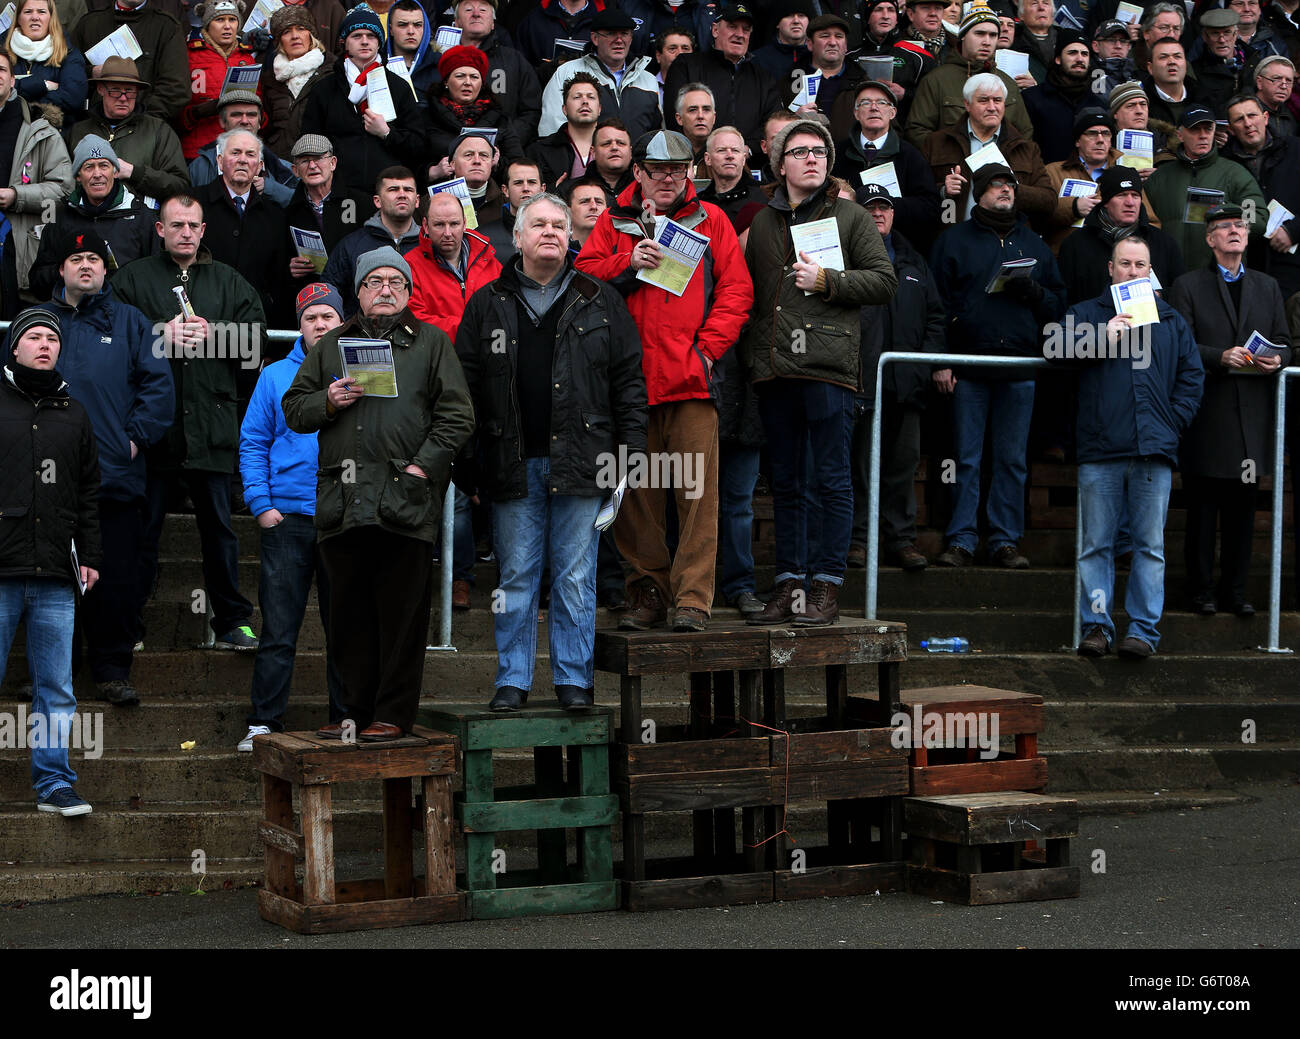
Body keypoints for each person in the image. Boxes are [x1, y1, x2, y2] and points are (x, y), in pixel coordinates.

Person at [455, 193, 647, 711]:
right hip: (510, 459)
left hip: (583, 460)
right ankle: (512, 682)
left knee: (576, 576)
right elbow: (464, 388)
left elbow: (629, 381)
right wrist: (466, 462)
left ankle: (573, 681)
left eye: (559, 226)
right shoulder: (486, 302)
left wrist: (631, 454)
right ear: (515, 237)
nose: (549, 232)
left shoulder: (601, 299)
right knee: (516, 574)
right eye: (537, 224)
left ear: (571, 238)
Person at [282, 246, 476, 741]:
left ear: (409, 292)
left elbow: (457, 416)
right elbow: (294, 408)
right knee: (346, 615)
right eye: (374, 282)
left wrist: (419, 470)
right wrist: (328, 399)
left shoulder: (432, 343)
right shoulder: (331, 344)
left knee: (401, 616)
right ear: (359, 292)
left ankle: (391, 715)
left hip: (405, 499)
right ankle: (350, 713)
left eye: (396, 281)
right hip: (343, 500)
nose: (385, 289)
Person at [576, 129, 753, 632]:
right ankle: (647, 591)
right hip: (626, 384)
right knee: (634, 496)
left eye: (677, 170)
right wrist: (627, 263)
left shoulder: (712, 219)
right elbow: (583, 279)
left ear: (691, 172)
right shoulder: (613, 222)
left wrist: (706, 351)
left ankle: (693, 600)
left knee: (697, 496)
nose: (668, 179)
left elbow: (737, 295)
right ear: (639, 173)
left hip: (691, 381)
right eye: (658, 170)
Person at [741, 118, 897, 625]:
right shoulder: (762, 222)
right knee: (786, 482)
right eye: (801, 151)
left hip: (828, 366)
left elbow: (883, 282)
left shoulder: (851, 216)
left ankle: (826, 584)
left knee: (831, 479)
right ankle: (790, 584)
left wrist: (828, 279)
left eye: (821, 152)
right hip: (775, 368)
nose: (813, 159)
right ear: (780, 163)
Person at [112, 193, 265, 653]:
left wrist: (214, 334)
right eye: (175, 225)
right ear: (160, 229)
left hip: (212, 426)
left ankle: (232, 623)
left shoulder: (229, 281)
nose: (185, 232)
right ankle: (128, 625)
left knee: (219, 532)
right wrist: (161, 334)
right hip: (153, 431)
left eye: (193, 225)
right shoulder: (133, 279)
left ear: (203, 230)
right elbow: (111, 339)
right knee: (143, 533)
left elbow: (256, 342)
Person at [36, 229, 171, 709]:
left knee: (114, 578)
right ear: (62, 269)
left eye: (94, 257)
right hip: (47, 481)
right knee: (53, 578)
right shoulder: (40, 321)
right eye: (77, 259)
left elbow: (158, 389)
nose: (86, 265)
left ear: (106, 267)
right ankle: (55, 675)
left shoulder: (132, 322)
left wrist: (132, 440)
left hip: (113, 477)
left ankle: (111, 670)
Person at [1070, 236, 1203, 659]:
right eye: (1124, 264)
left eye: (1139, 264)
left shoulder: (1171, 321)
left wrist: (1172, 421)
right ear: (1110, 269)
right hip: (1101, 449)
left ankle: (1143, 632)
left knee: (1149, 548)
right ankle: (1097, 628)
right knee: (1096, 547)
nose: (1131, 270)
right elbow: (1055, 351)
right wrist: (1101, 335)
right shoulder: (1085, 314)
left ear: (1150, 271)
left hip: (1153, 450)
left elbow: (1192, 378)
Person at [929, 163, 1066, 570]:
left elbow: (1058, 304)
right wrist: (941, 361)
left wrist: (1035, 291)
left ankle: (1005, 539)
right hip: (968, 366)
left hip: (1019, 367)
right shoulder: (953, 241)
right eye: (995, 185)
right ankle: (962, 538)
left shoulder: (1036, 245)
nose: (1005, 190)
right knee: (965, 459)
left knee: (1011, 460)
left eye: (1010, 184)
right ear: (978, 192)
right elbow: (934, 308)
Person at [237, 282, 348, 750]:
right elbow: (253, 442)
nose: (320, 324)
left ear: (342, 322)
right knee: (279, 628)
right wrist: (262, 506)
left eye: (328, 316)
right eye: (310, 317)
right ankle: (264, 721)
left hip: (344, 518)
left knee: (344, 628)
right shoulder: (273, 377)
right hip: (289, 517)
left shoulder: (362, 370)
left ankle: (348, 721)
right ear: (298, 325)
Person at [0, 308, 102, 816]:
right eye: (34, 337)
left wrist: (92, 555)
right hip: (1, 568)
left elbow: (88, 492)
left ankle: (55, 784)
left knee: (57, 690)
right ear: (13, 347)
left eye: (52, 338)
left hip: (57, 573)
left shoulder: (74, 412)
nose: (45, 344)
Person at [1168, 203, 1292, 617]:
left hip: (1251, 417)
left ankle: (1235, 592)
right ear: (1210, 238)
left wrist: (1278, 358)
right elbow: (1179, 345)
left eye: (1240, 225)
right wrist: (1219, 356)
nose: (1235, 231)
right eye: (1225, 227)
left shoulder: (1267, 285)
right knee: (1203, 512)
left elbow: (1283, 340)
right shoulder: (1187, 285)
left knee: (1242, 514)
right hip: (1209, 414)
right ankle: (1200, 591)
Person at [850, 182, 944, 572]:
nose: (878, 214)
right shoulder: (848, 257)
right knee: (859, 467)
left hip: (906, 385)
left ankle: (901, 540)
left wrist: (925, 365)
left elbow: (936, 318)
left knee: (902, 467)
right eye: (870, 207)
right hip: (861, 383)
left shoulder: (914, 260)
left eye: (884, 208)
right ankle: (857, 541)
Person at [298, 4, 431, 198]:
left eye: (371, 36)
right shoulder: (324, 89)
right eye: (357, 36)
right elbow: (310, 142)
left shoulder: (399, 87)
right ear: (344, 42)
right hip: (337, 192)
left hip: (387, 194)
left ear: (379, 43)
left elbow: (418, 145)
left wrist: (386, 133)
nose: (365, 42)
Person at [29, 136, 157, 302]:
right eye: (89, 167)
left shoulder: (142, 218)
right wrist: (68, 271)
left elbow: (155, 279)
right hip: (73, 316)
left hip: (123, 318)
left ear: (115, 172)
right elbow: (38, 283)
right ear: (78, 176)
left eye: (104, 165)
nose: (97, 174)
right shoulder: (61, 218)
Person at [1145, 105, 1266, 271]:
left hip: (1220, 279)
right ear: (1180, 135)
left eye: (1208, 129)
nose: (1203, 136)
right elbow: (1143, 229)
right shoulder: (1159, 178)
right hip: (1169, 279)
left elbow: (1258, 221)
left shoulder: (1236, 174)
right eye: (1195, 130)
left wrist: (1225, 211)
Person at [921, 72, 1054, 222]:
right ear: (967, 104)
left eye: (997, 100)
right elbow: (916, 194)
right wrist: (943, 190)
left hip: (1005, 238)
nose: (992, 107)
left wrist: (1013, 188)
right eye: (983, 100)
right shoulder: (937, 142)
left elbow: (1049, 201)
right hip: (954, 235)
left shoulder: (1026, 148)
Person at [195, 130, 293, 331]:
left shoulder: (275, 215)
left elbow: (280, 283)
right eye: (235, 153)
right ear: (220, 162)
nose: (242, 160)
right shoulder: (194, 204)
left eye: (250, 154)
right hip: (203, 324)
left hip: (255, 326)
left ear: (260, 166)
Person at [905, 5, 1035, 148]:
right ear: (963, 36)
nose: (987, 41)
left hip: (1001, 167)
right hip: (953, 167)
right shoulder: (936, 80)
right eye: (980, 33)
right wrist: (950, 156)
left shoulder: (1007, 83)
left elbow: (1025, 133)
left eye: (993, 35)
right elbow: (916, 131)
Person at [833, 78, 941, 250]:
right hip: (847, 245)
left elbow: (930, 208)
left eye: (882, 102)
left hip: (896, 247)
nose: (874, 107)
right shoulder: (837, 154)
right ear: (856, 113)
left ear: (893, 113)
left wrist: (887, 206)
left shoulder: (910, 155)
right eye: (865, 103)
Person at [663, 4, 782, 159]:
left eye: (746, 29)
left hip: (750, 166)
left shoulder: (763, 77)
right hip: (696, 163)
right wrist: (706, 154)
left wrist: (748, 149)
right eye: (732, 27)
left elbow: (772, 125)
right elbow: (675, 117)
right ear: (715, 30)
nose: (740, 34)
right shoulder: (686, 65)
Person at [65, 57, 189, 203]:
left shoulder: (159, 131)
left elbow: (181, 186)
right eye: (115, 90)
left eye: (130, 91)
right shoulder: (78, 131)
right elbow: (64, 183)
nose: (123, 98)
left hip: (138, 222)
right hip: (86, 221)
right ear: (100, 89)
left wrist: (133, 173)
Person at [1057, 165, 1185, 305]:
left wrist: (1159, 295)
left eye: (1135, 195)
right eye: (1121, 195)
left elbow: (1181, 293)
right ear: (1105, 202)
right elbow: (1062, 300)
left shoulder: (1163, 243)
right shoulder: (1075, 245)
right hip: (1092, 325)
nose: (1130, 202)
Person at [0, 50, 72, 299]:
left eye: (1, 70)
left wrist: (16, 195)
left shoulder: (42, 132)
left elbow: (63, 193)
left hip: (18, 247)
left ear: (12, 80)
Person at [1042, 108, 1163, 249]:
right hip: (1067, 258)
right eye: (1092, 134)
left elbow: (1152, 224)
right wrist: (1073, 207)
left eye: (1106, 134)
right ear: (1077, 141)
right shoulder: (1053, 172)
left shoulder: (1126, 174)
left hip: (1118, 258)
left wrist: (1122, 237)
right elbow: (1039, 218)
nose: (1100, 140)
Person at [538, 6, 661, 141]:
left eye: (625, 33)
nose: (619, 40)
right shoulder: (567, 72)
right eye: (611, 33)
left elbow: (658, 132)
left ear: (631, 38)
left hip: (638, 161)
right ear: (595, 38)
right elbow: (551, 128)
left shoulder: (649, 79)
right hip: (583, 161)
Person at [1221, 91, 1300, 298]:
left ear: (1265, 118)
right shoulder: (1224, 164)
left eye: (1252, 115)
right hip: (1248, 265)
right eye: (1239, 119)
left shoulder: (1296, 150)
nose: (1248, 123)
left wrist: (1293, 231)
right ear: (1230, 129)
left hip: (1293, 261)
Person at [321, 165, 420, 316]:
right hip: (363, 336)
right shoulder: (352, 245)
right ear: (377, 201)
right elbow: (327, 295)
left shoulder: (430, 244)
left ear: (417, 200)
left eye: (408, 190)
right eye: (393, 190)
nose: (402, 195)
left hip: (420, 336)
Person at [71, 0, 189, 119]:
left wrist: (141, 123)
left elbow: (176, 89)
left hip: (146, 129)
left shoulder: (167, 26)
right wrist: (91, 72)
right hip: (95, 126)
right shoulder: (89, 23)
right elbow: (69, 77)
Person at [450, 0, 542, 149]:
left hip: (506, 151)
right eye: (468, 10)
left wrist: (506, 141)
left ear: (493, 23)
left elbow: (531, 111)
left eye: (483, 10)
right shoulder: (442, 60)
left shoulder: (515, 60)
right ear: (456, 22)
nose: (476, 14)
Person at [187, 91, 298, 208]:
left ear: (260, 123)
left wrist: (271, 188)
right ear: (222, 122)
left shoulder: (282, 167)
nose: (245, 121)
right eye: (236, 114)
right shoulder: (200, 167)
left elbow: (306, 204)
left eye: (251, 115)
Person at [180, 0, 258, 162]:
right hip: (197, 152)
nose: (227, 26)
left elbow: (261, 108)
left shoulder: (248, 58)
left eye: (232, 19)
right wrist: (198, 112)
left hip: (239, 152)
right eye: (220, 20)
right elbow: (174, 110)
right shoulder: (188, 56)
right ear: (207, 24)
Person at [260, 3, 336, 157]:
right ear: (279, 41)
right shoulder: (269, 80)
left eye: (301, 29)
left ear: (311, 35)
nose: (295, 36)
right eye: (287, 32)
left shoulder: (332, 71)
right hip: (282, 163)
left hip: (321, 160)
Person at [426, 44, 522, 166]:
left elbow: (517, 162)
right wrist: (433, 172)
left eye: (474, 77)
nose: (468, 82)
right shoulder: (428, 116)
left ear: (482, 84)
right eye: (460, 76)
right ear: (446, 81)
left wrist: (497, 164)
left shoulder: (500, 119)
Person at [5, 0, 87, 128]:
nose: (35, 17)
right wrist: (43, 85)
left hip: (52, 135)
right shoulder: (2, 51)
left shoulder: (68, 53)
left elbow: (73, 98)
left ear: (51, 18)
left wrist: (18, 98)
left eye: (42, 12)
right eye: (28, 12)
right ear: (18, 18)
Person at [1022, 31, 1097, 165]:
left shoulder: (1097, 103)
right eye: (1072, 53)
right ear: (1058, 59)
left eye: (1084, 54)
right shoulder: (1032, 98)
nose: (1080, 59)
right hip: (1045, 178)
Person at [528, 70, 601, 190]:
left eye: (591, 97)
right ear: (565, 109)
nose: (585, 101)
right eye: (577, 97)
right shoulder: (540, 151)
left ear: (599, 109)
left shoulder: (614, 147)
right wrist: (555, 189)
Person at [695, 125, 766, 227]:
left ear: (743, 159)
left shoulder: (763, 198)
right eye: (721, 150)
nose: (729, 156)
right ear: (708, 159)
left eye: (735, 150)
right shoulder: (698, 204)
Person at [1192, 8, 1249, 118]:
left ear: (1236, 34)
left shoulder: (1253, 61)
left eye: (1227, 32)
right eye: (1215, 33)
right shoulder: (1196, 71)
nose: (1222, 40)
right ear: (1205, 37)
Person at [384, 0, 438, 105]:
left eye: (417, 25)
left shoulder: (440, 67)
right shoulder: (376, 65)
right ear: (390, 29)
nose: (411, 31)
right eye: (403, 25)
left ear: (425, 28)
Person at [750, 0, 812, 80]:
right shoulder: (757, 60)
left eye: (801, 15)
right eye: (789, 16)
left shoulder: (820, 57)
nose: (796, 21)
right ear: (777, 23)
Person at [579, 116, 634, 198]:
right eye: (606, 144)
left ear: (630, 152)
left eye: (621, 143)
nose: (614, 148)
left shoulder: (646, 188)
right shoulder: (570, 190)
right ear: (593, 152)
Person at [1252, 55, 1297, 139]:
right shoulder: (1245, 112)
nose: (1284, 86)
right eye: (1277, 79)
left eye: (1288, 80)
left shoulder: (1292, 114)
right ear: (1259, 82)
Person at [562, 178, 607, 253]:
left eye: (599, 202)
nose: (594, 206)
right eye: (584, 202)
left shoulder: (620, 248)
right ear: (568, 210)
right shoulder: (557, 250)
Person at [676, 83, 716, 162]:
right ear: (679, 119)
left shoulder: (726, 153)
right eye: (693, 110)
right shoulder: (668, 152)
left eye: (706, 110)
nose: (700, 116)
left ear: (714, 118)